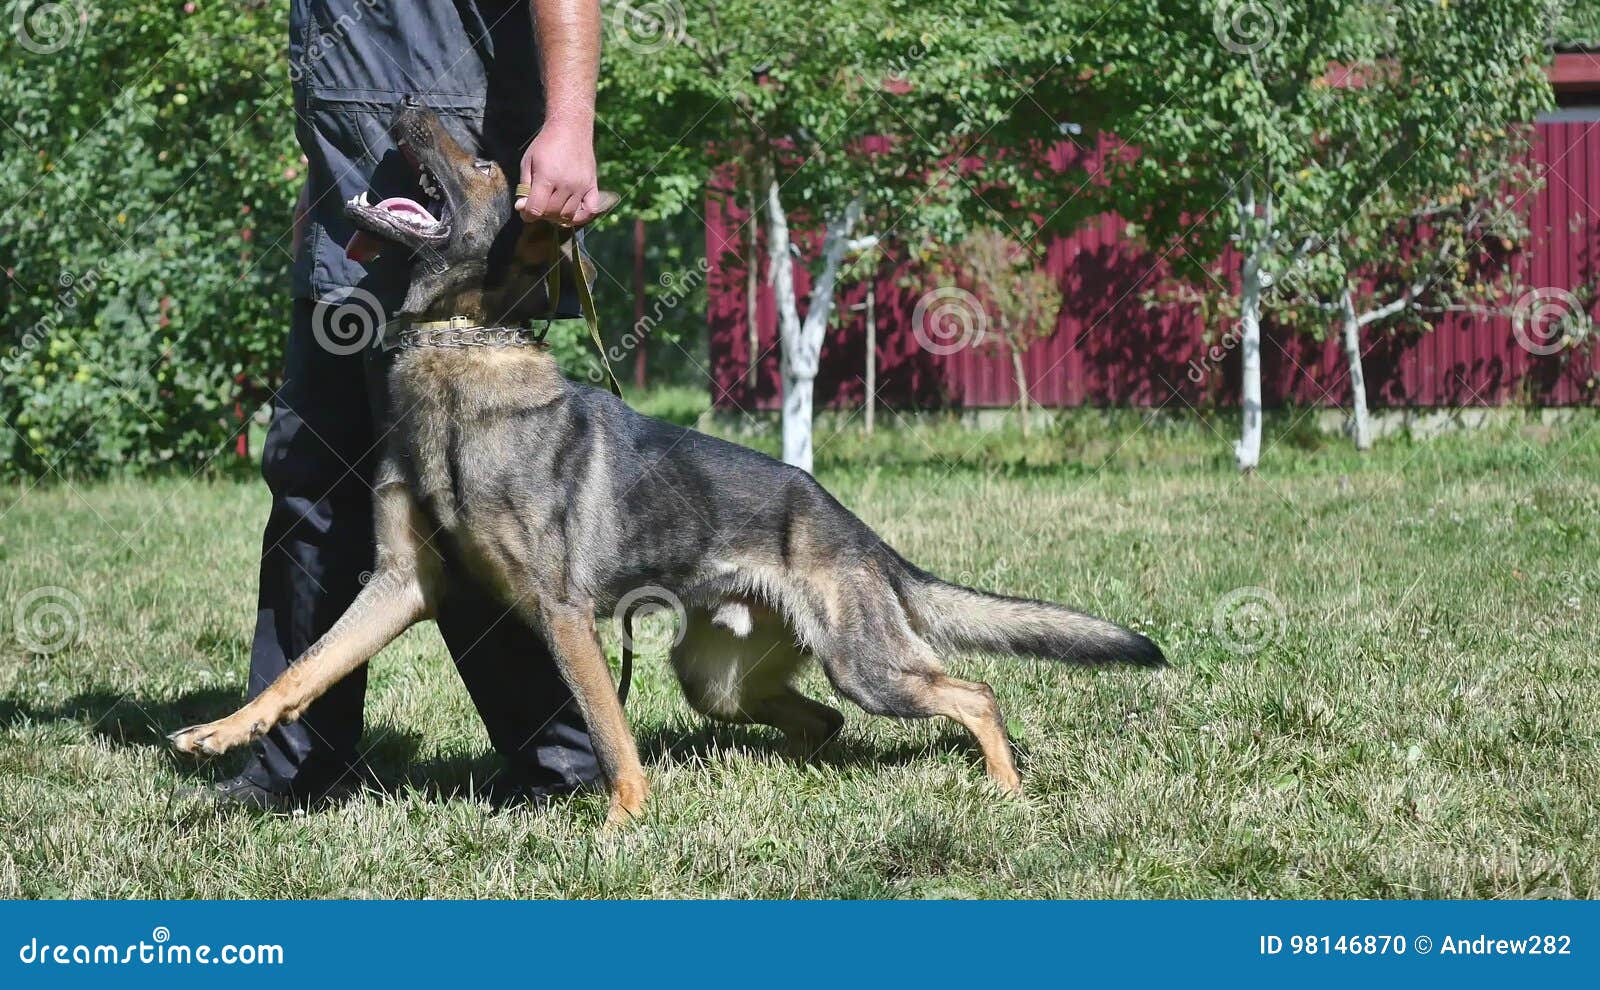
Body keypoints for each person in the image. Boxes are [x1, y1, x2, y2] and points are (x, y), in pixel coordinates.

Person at [202, 0, 606, 809]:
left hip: (450, 202)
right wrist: (324, 191)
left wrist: (570, 123)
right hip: (352, 210)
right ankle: (296, 763)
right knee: (311, 481)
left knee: (471, 504)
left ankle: (561, 764)